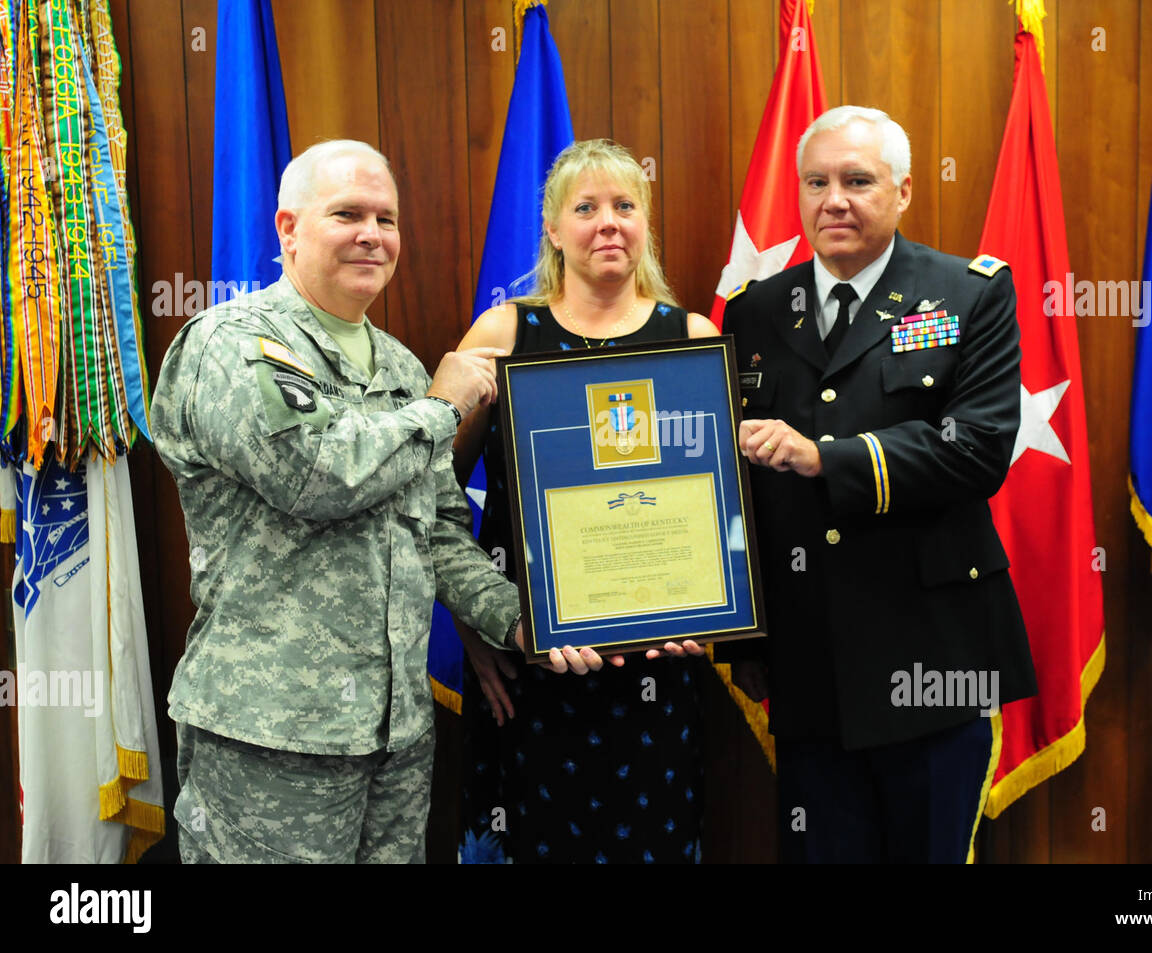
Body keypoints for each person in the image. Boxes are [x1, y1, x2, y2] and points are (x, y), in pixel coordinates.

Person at [151, 139, 608, 864]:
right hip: (272, 735)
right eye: (347, 214)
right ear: (288, 228)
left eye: (386, 219)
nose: (372, 234)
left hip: (394, 733)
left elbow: (439, 532)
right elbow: (318, 477)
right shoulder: (233, 344)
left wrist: (523, 623)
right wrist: (441, 408)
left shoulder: (398, 365)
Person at [720, 107, 1038, 863]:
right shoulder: (755, 311)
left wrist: (827, 458)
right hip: (808, 660)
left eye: (858, 181)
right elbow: (730, 491)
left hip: (932, 657)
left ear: (902, 192)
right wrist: (740, 630)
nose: (835, 199)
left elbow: (980, 450)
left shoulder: (968, 294)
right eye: (817, 182)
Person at [451, 139, 716, 864]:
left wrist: (711, 609)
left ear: (645, 223)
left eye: (626, 205)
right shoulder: (505, 334)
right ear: (552, 227)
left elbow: (720, 504)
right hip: (530, 666)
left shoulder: (690, 337)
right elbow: (428, 491)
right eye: (587, 207)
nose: (609, 222)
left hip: (658, 672)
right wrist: (477, 627)